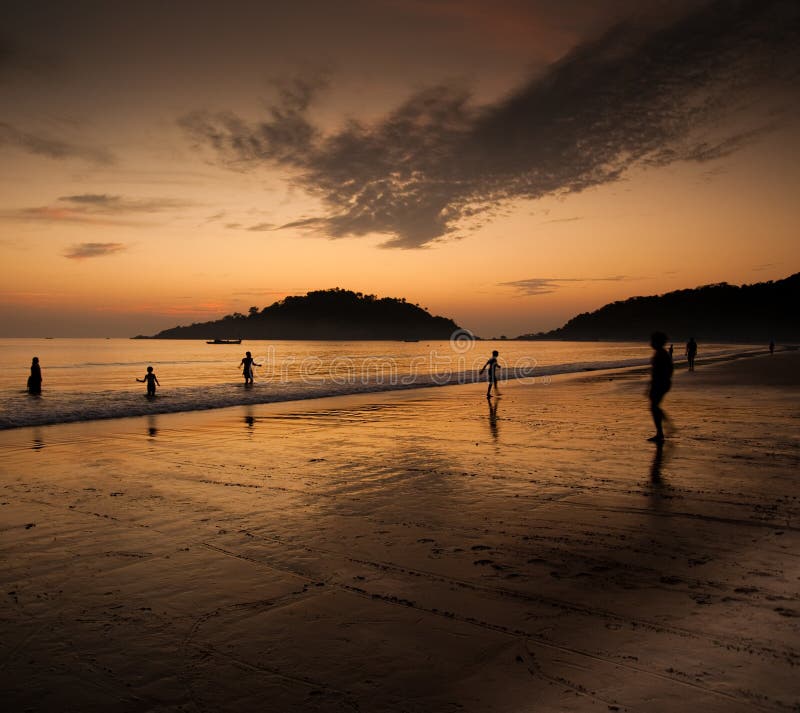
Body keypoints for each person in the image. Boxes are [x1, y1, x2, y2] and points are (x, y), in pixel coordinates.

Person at [648, 331, 673, 443]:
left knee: (654, 407)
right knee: (655, 407)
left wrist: (659, 383)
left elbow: (667, 370)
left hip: (660, 384)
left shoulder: (661, 354)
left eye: (653, 341)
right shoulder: (661, 353)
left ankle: (662, 431)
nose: (650, 343)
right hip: (660, 384)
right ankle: (663, 429)